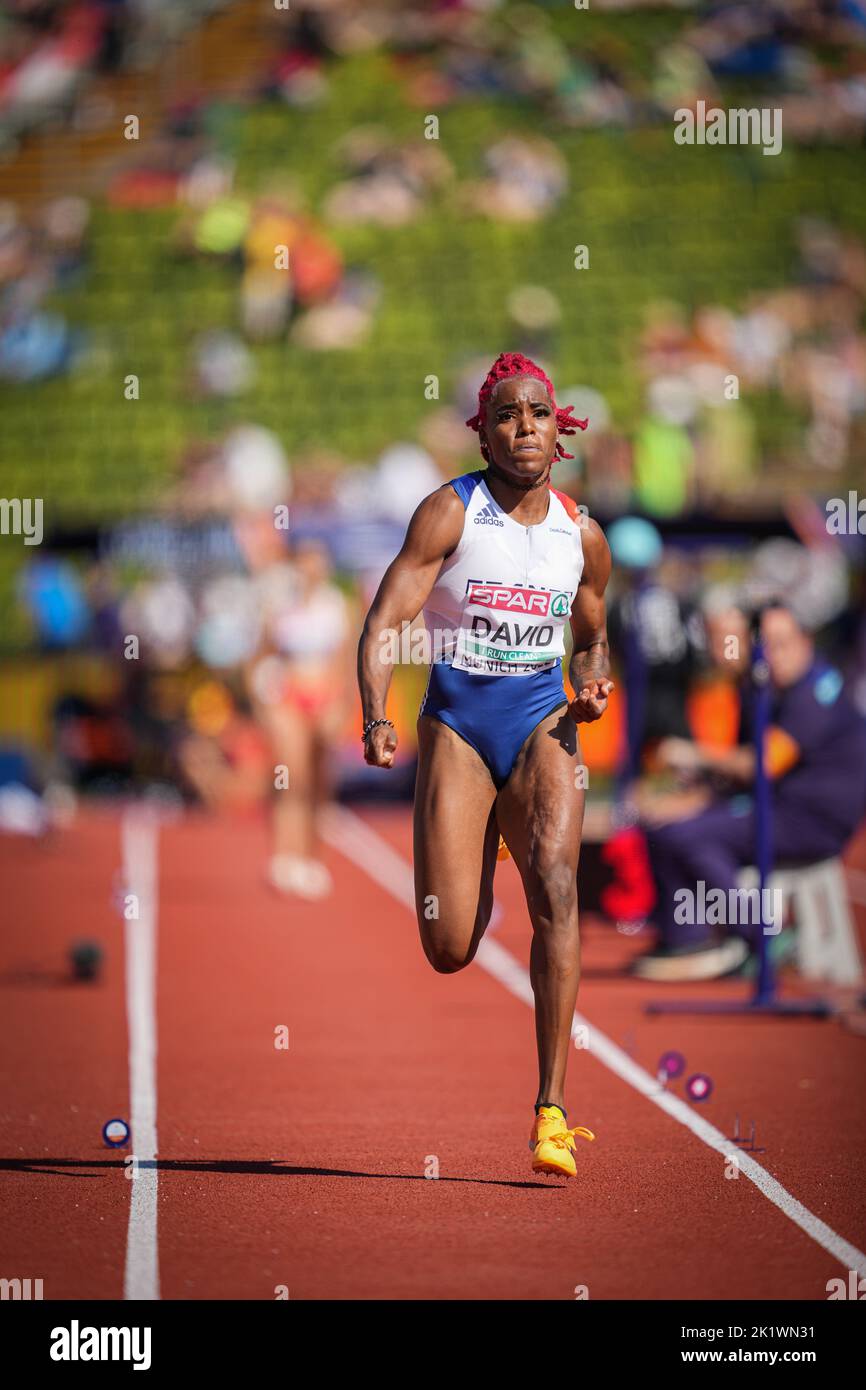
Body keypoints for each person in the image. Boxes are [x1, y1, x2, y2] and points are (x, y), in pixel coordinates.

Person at [357, 352, 614, 1177]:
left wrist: (593, 679)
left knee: (560, 886)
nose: (524, 427)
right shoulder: (450, 513)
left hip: (543, 723)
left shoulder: (583, 534)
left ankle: (551, 1110)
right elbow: (384, 620)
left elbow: (593, 636)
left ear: (559, 428)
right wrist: (375, 713)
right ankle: (485, 842)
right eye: (507, 415)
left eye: (537, 413)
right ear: (484, 431)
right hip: (460, 729)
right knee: (450, 944)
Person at [634, 602, 866, 982]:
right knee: (666, 828)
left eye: (782, 643)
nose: (772, 655)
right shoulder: (768, 689)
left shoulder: (814, 690)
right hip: (779, 806)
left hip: (812, 819)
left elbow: (762, 764)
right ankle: (685, 938)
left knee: (687, 837)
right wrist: (686, 799)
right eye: (765, 645)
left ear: (806, 641)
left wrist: (691, 755)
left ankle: (761, 937)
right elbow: (740, 775)